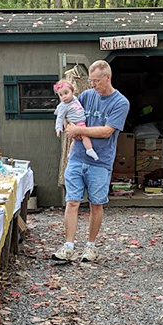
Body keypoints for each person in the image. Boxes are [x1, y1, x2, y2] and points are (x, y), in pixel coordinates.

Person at [53, 60, 129, 263]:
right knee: (72, 201)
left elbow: (106, 131)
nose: (93, 84)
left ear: (108, 77)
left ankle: (91, 246)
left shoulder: (120, 103)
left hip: (100, 161)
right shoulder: (86, 96)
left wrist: (79, 130)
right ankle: (69, 246)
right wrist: (70, 127)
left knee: (96, 204)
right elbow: (68, 111)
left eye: (96, 81)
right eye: (91, 81)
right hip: (77, 157)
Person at [53, 77, 99, 161]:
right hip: (77, 123)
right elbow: (60, 118)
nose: (64, 97)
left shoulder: (75, 99)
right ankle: (89, 149)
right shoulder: (63, 106)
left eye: (66, 93)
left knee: (74, 142)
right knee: (85, 135)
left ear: (72, 91)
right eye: (61, 95)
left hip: (80, 121)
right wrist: (58, 128)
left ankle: (70, 153)